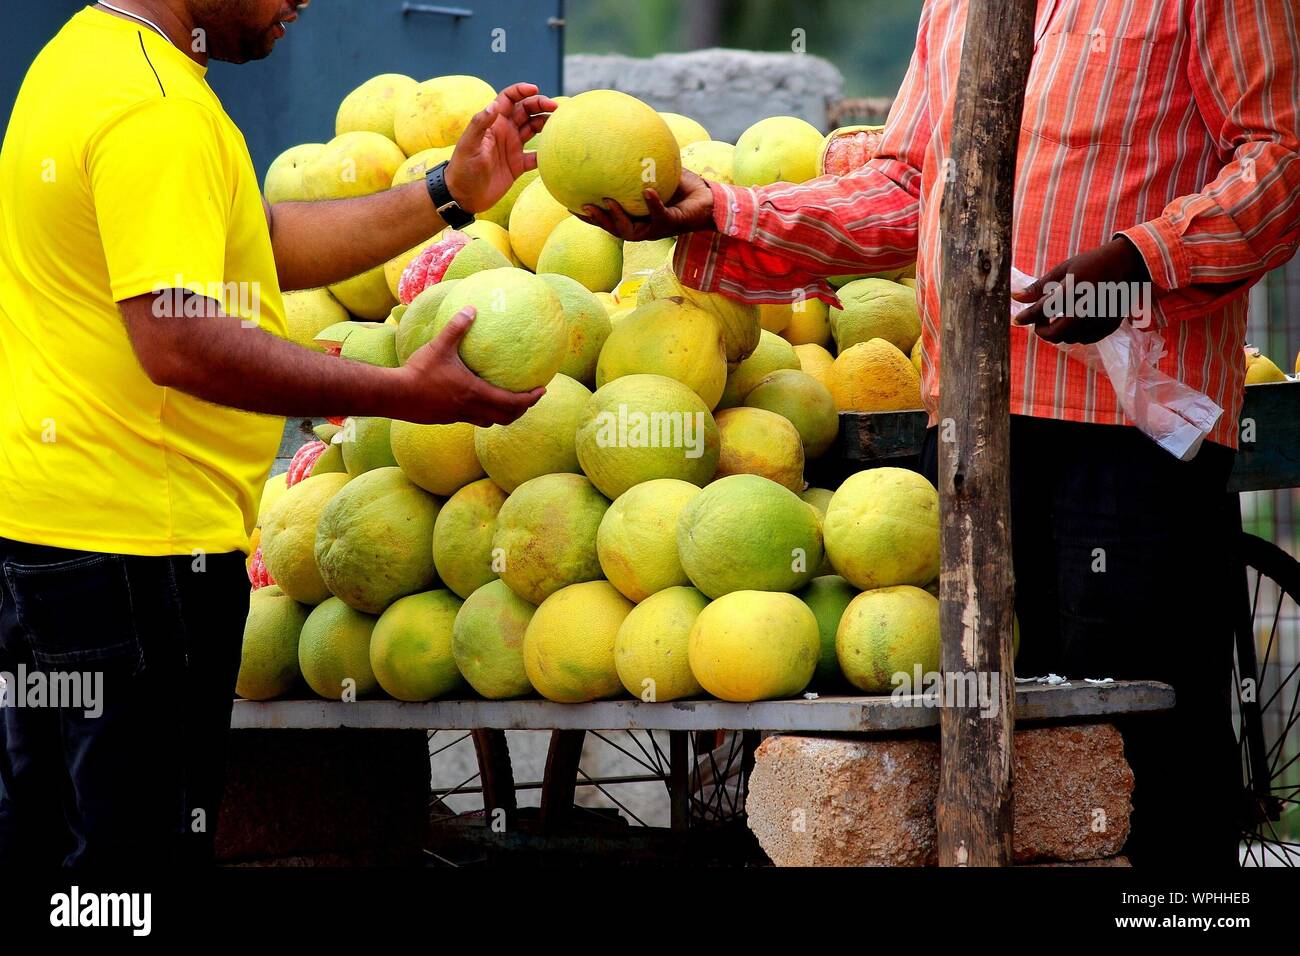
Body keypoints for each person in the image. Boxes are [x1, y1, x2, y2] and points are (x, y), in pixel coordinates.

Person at [584, 0, 1300, 866]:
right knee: (978, 733)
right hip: (965, 422)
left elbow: (1281, 158)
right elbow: (910, 189)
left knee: (1140, 744)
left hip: (1131, 435)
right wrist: (728, 213)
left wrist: (1143, 259)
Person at [0, 0, 552, 865]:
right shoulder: (158, 108)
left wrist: (450, 191)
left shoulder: (82, 56)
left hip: (51, 541)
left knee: (49, 843)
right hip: (138, 556)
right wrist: (404, 392)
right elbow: (179, 339)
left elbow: (255, 246)